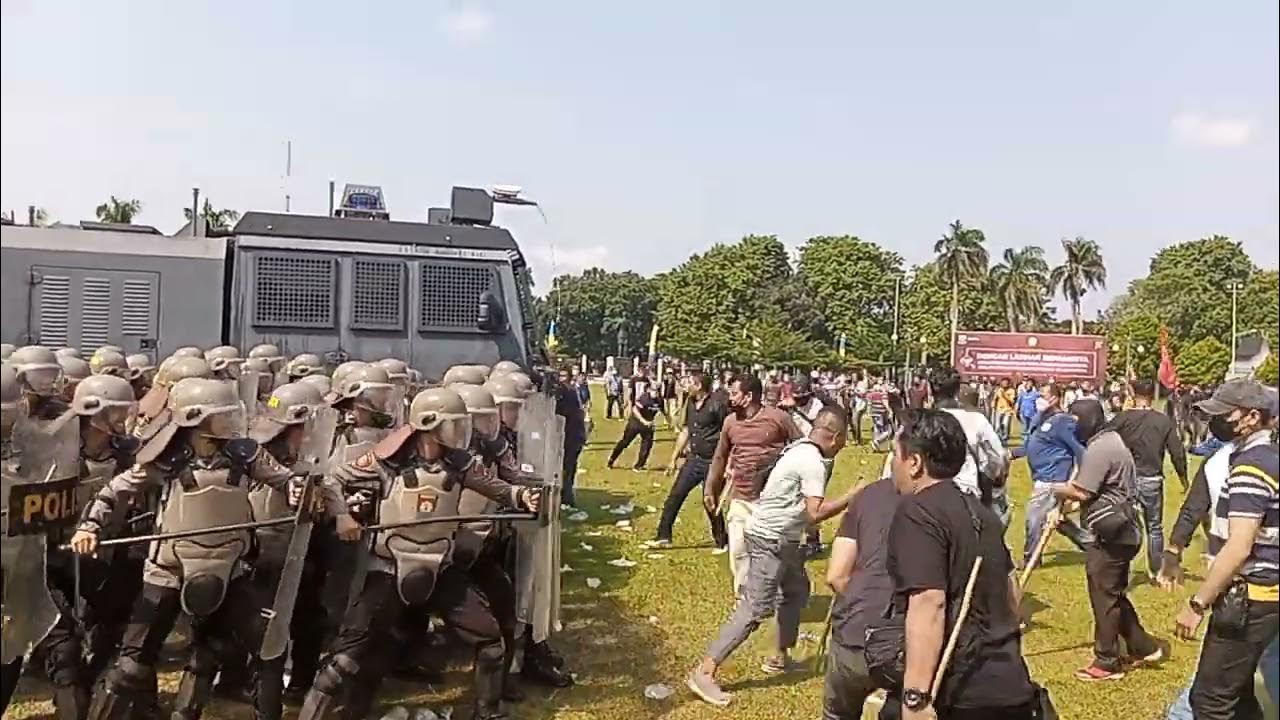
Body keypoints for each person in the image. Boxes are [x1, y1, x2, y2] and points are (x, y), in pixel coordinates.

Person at [296, 388, 540, 720]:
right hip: (389, 567)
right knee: (345, 660)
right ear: (429, 425)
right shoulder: (387, 460)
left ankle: (487, 714)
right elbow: (333, 480)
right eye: (452, 425)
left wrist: (522, 495)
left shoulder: (460, 463)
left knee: (491, 640)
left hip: (441, 568)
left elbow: (498, 488)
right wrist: (342, 515)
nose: (459, 433)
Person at [688, 407, 853, 707]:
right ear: (836, 436)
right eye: (843, 442)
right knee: (755, 608)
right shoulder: (812, 461)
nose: (843, 448)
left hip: (784, 539)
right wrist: (852, 497)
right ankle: (705, 670)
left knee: (795, 592)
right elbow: (815, 513)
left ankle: (779, 655)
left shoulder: (799, 447)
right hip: (771, 540)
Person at [884, 409, 1038, 719]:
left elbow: (929, 602)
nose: (891, 466)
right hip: (1008, 682)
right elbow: (1012, 594)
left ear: (914, 463)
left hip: (959, 691)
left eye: (895, 455)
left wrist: (915, 697)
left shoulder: (918, 512)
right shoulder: (982, 513)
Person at [1174, 379, 1278, 720]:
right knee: (1238, 693)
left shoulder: (1252, 466)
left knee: (1209, 700)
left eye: (1224, 414)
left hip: (1250, 599)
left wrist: (1197, 603)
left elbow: (1239, 545)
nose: (1216, 421)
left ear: (1251, 417)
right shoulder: (1265, 458)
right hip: (1262, 595)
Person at [1050, 399, 1161, 681]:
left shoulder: (1101, 448)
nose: (1073, 427)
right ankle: (1143, 647)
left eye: (1075, 421)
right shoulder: (1107, 441)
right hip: (1119, 529)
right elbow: (1098, 491)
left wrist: (1053, 488)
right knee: (1111, 593)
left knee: (1104, 597)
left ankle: (1107, 661)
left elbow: (1082, 492)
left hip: (1116, 532)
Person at [704, 374, 801, 595]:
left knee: (774, 552)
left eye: (734, 393)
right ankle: (744, 598)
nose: (730, 397)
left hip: (772, 498)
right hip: (741, 496)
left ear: (748, 396)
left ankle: (781, 594)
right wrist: (711, 487)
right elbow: (720, 456)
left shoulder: (778, 418)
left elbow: (801, 448)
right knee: (738, 549)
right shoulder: (730, 422)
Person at [822, 473, 900, 720]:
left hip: (854, 633)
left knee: (838, 713)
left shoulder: (867, 494)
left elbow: (836, 576)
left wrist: (865, 606)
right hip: (909, 642)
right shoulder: (960, 506)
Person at [1110, 379, 1189, 579]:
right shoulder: (1163, 421)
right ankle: (1155, 571)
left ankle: (1122, 568)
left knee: (1125, 525)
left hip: (1126, 478)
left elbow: (1103, 437)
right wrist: (1183, 479)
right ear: (1152, 397)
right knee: (1154, 527)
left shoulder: (1123, 418)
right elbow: (1177, 452)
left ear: (1134, 395)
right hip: (1152, 478)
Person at [1013, 382, 1092, 567]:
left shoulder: (1063, 422)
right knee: (1056, 520)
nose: (1039, 399)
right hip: (1042, 477)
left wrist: (1082, 479)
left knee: (1033, 519)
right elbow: (1032, 444)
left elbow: (1079, 450)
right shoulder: (1042, 419)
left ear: (1055, 398)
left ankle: (1030, 559)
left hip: (1052, 479)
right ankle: (1094, 547)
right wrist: (1011, 454)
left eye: (1043, 395)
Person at [653, 371, 729, 549]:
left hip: (713, 462)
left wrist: (726, 463)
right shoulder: (691, 403)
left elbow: (728, 433)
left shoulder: (717, 405)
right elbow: (686, 431)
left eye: (689, 383)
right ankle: (663, 536)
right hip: (694, 459)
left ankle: (722, 541)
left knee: (710, 501)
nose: (686, 386)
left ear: (699, 386)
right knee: (675, 496)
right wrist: (673, 459)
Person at [931, 369, 1008, 518]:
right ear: (958, 391)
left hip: (928, 497)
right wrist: (994, 478)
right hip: (966, 494)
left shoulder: (920, 421)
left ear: (930, 390)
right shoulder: (976, 420)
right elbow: (998, 456)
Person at [606, 384, 661, 471]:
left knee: (647, 445)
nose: (656, 392)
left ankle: (639, 465)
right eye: (654, 390)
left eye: (658, 390)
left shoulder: (659, 400)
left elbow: (663, 411)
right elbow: (635, 410)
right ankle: (611, 459)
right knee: (625, 442)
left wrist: (672, 423)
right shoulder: (644, 398)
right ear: (649, 390)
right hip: (635, 424)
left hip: (648, 426)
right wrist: (644, 421)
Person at [555, 367, 588, 506]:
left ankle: (566, 497)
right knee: (568, 468)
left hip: (571, 436)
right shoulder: (571, 391)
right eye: (560, 376)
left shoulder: (567, 392)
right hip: (572, 435)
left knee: (567, 468)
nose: (561, 379)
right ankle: (566, 496)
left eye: (564, 376)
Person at [993, 377, 1017, 444]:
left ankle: (1005, 439)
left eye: (1006, 383)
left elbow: (1011, 401)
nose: (1004, 384)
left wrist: (1004, 395)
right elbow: (995, 398)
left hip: (1008, 410)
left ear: (1008, 384)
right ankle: (998, 440)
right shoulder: (999, 389)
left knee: (1005, 425)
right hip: (999, 410)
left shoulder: (1012, 391)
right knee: (997, 426)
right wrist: (993, 404)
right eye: (1003, 383)